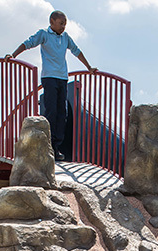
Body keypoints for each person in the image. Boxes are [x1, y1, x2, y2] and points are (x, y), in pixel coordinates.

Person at [5, 10, 97, 161]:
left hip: (62, 78)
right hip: (49, 77)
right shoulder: (44, 34)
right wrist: (14, 55)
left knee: (62, 113)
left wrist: (89, 67)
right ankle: (46, 145)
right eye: (61, 24)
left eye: (65, 24)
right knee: (51, 111)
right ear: (52, 22)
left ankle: (56, 146)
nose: (63, 27)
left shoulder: (65, 37)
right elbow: (28, 43)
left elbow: (76, 51)